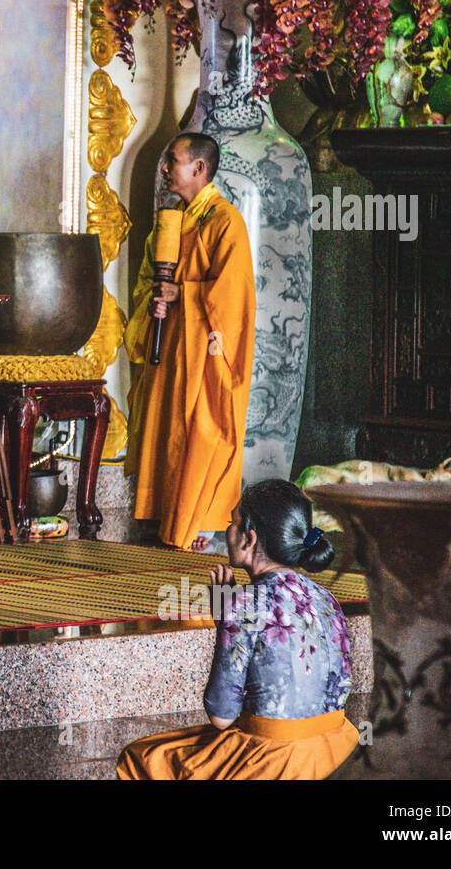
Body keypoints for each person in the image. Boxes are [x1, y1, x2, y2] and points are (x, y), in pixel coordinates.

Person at [116, 479, 356, 779]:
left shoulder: (243, 603)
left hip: (275, 758)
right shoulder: (327, 597)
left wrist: (227, 619)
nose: (227, 530)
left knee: (143, 759)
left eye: (232, 522)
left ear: (248, 539)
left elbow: (221, 715)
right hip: (339, 749)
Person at [124, 132, 255, 552]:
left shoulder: (225, 221)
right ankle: (165, 519)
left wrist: (184, 295)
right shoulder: (172, 221)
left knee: (201, 429)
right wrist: (154, 302)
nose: (164, 168)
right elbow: (148, 281)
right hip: (172, 349)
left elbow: (233, 298)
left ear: (198, 168)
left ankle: (197, 521)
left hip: (205, 354)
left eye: (172, 161)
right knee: (166, 428)